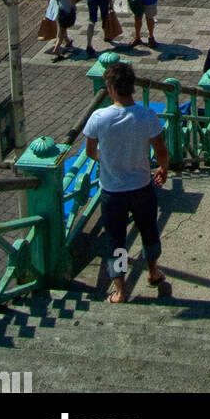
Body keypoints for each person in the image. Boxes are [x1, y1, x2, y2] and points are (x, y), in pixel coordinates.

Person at [84, 62, 169, 304]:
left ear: (110, 87)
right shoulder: (147, 116)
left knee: (116, 241)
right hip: (142, 186)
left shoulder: (99, 118)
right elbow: (160, 149)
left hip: (112, 191)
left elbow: (91, 151)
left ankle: (120, 290)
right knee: (149, 231)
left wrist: (108, 159)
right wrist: (164, 168)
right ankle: (153, 271)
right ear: (132, 87)